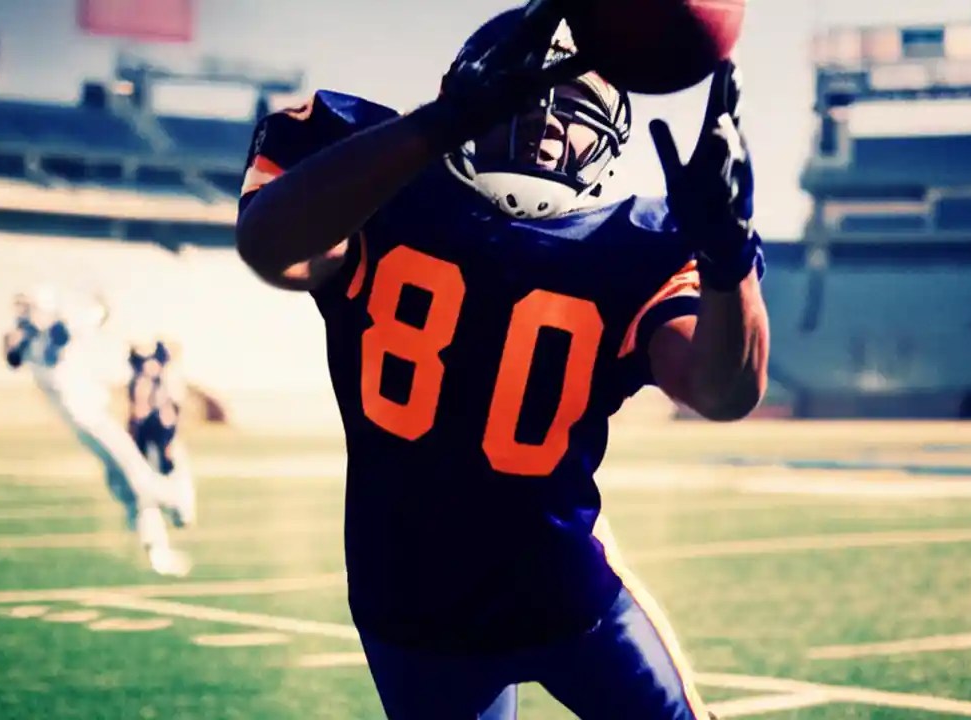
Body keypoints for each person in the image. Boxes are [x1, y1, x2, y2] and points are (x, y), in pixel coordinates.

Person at [236, 5, 769, 718]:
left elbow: (723, 390)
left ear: (609, 139)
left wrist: (729, 258)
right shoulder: (376, 183)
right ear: (469, 91)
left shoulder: (633, 245)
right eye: (527, 93)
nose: (549, 118)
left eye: (575, 106)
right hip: (415, 610)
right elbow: (269, 247)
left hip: (572, 596)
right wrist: (434, 124)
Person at [2, 286, 193, 578]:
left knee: (132, 483)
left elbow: (71, 330)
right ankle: (170, 523)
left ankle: (167, 528)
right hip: (87, 424)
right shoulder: (30, 341)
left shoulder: (54, 332)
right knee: (130, 482)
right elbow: (14, 357)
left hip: (93, 419)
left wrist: (97, 308)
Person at [127, 339, 196, 529]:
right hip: (158, 426)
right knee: (156, 471)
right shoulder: (158, 376)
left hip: (160, 427)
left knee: (162, 471)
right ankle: (168, 511)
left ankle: (177, 511)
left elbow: (169, 406)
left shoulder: (163, 376)